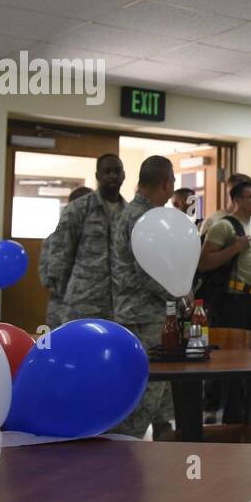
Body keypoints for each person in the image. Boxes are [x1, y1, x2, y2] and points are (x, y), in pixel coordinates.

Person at [200, 180, 251, 433]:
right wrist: (234, 248)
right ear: (237, 199)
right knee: (235, 362)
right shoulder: (223, 227)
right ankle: (234, 416)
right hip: (234, 301)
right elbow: (204, 262)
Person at [112, 156, 177, 439]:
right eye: (173, 182)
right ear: (165, 183)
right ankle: (124, 446)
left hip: (141, 313)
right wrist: (180, 292)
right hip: (143, 316)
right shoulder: (143, 217)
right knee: (146, 389)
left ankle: (164, 439)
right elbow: (150, 271)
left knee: (161, 392)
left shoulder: (137, 212)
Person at [41, 154, 126, 323]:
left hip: (120, 306)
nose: (112, 176)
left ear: (123, 175)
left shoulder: (130, 214)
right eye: (106, 171)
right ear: (97, 176)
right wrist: (64, 296)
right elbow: (60, 256)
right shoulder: (78, 209)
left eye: (117, 171)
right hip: (82, 303)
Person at [39, 185, 92, 329]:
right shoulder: (54, 239)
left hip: (95, 310)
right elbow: (47, 278)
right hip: (61, 310)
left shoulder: (98, 240)